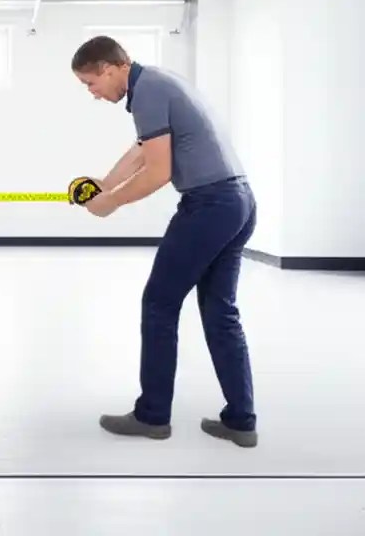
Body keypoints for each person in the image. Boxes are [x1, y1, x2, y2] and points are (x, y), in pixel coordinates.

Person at [71, 35, 258, 448]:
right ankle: (241, 421)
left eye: (90, 83)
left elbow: (157, 172)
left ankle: (153, 416)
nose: (93, 93)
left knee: (158, 303)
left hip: (209, 205)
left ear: (109, 67)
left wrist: (111, 204)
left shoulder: (148, 91)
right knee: (219, 311)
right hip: (238, 201)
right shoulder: (156, 82)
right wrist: (102, 185)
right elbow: (142, 151)